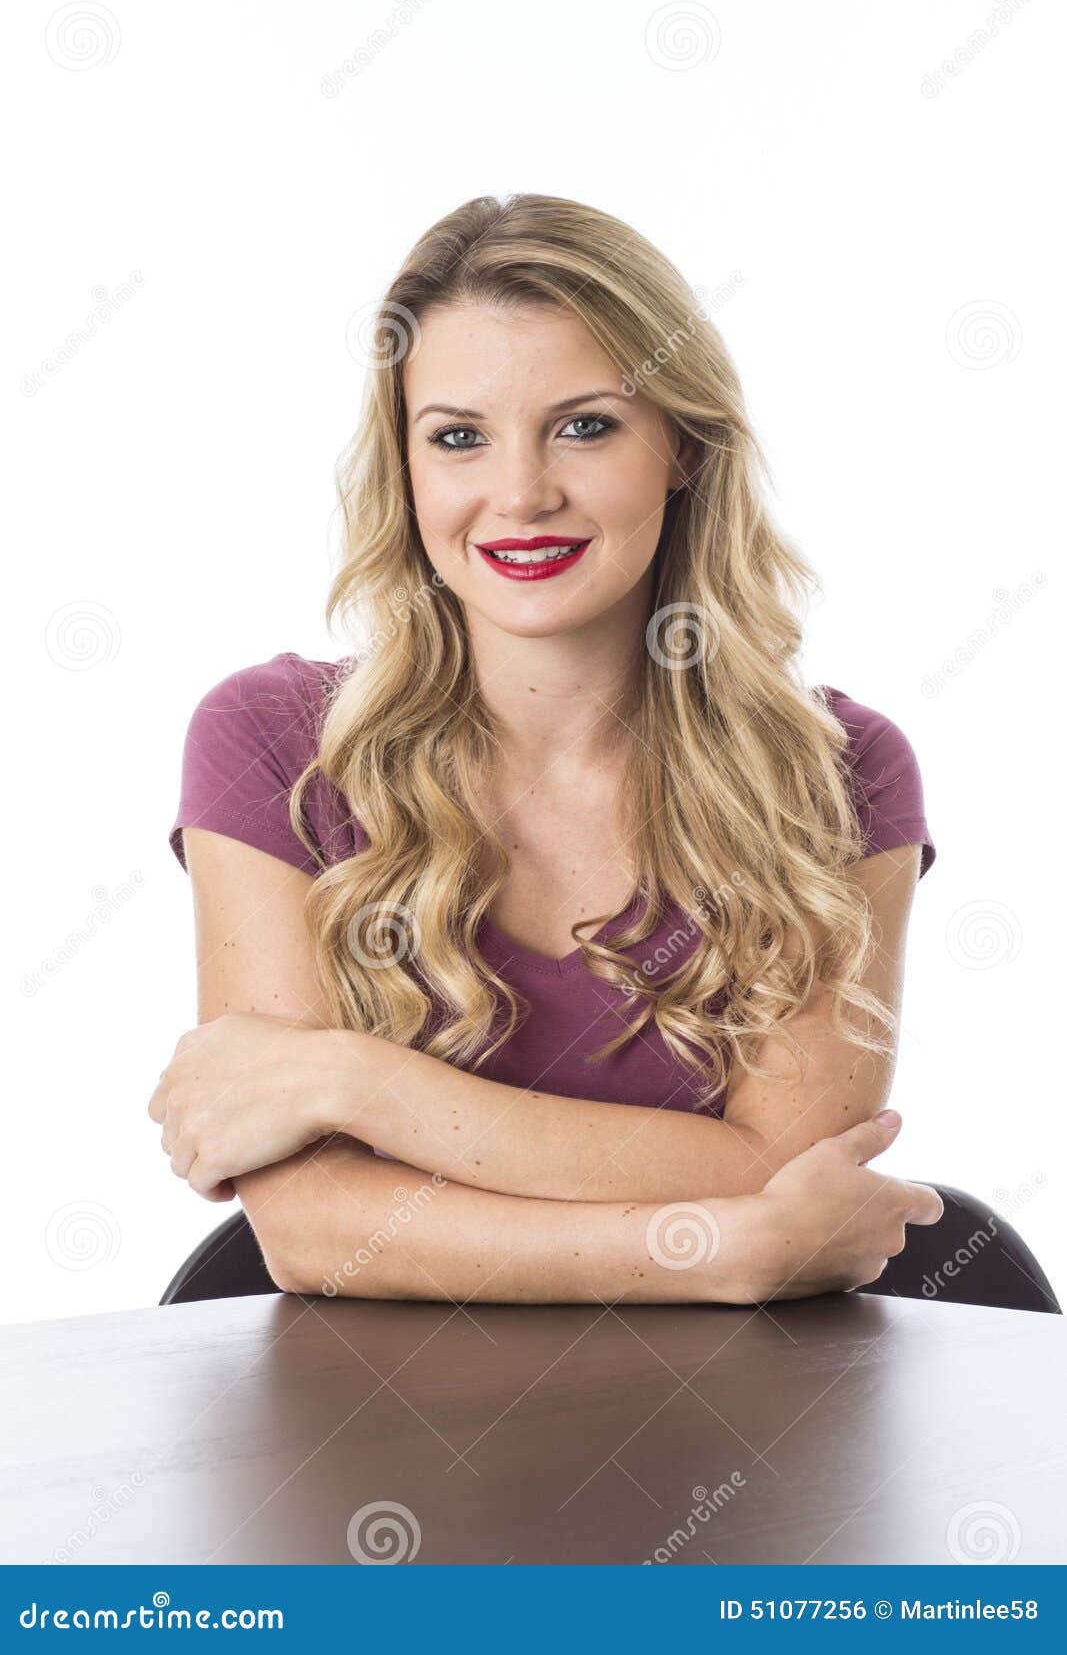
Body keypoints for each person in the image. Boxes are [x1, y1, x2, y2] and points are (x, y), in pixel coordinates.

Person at [150, 193, 943, 1305]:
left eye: (584, 424)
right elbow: (314, 1232)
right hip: (370, 1446)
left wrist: (352, 1081)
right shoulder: (273, 746)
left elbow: (779, 1168)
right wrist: (716, 1249)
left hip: (741, 1440)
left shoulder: (837, 775)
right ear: (406, 466)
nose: (518, 494)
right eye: (458, 437)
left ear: (680, 445)